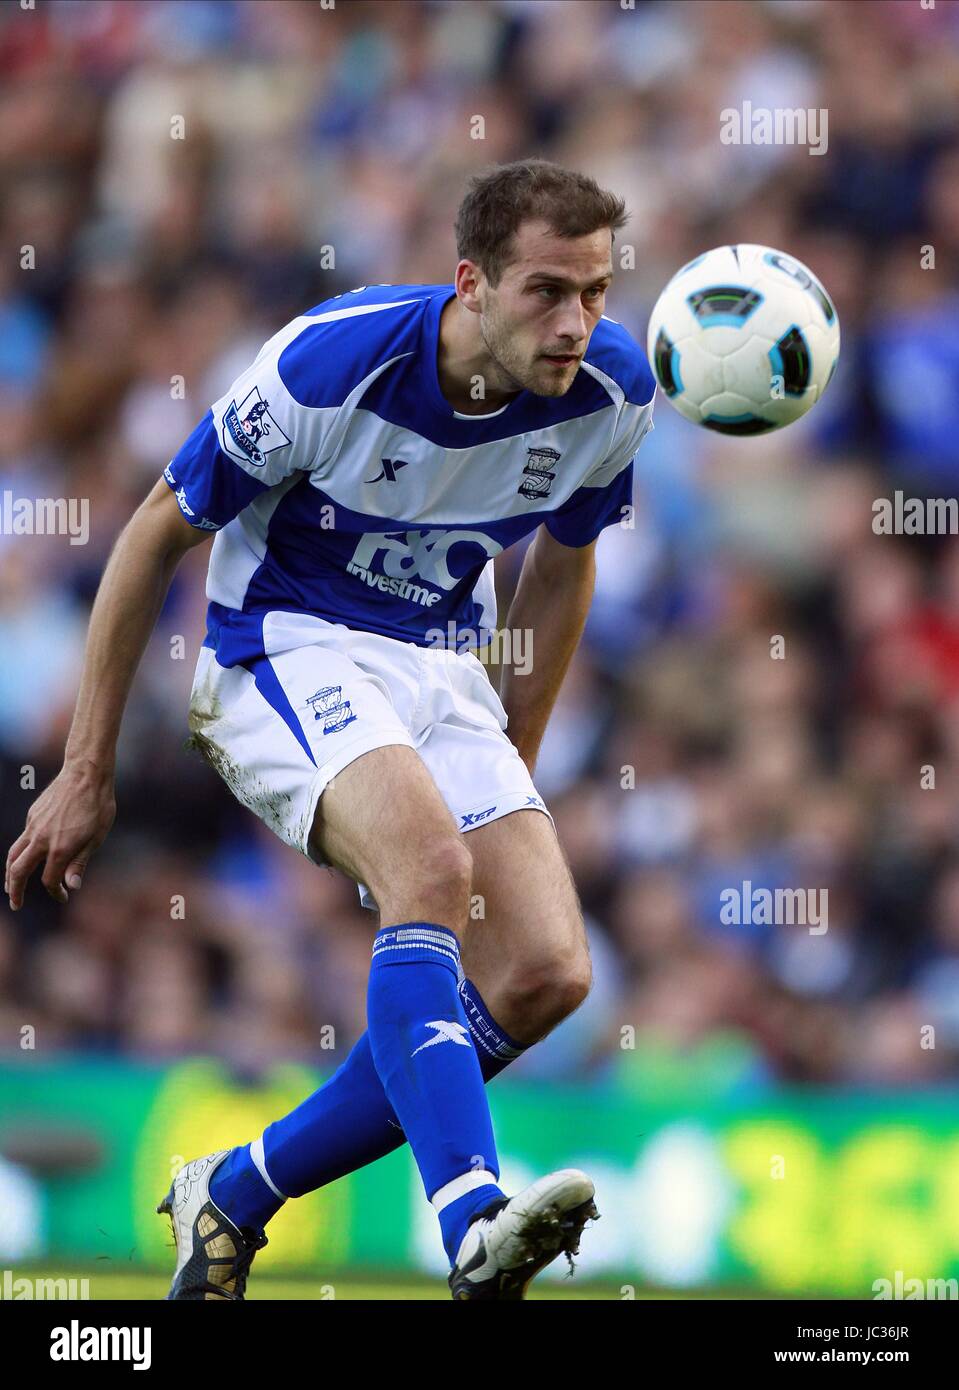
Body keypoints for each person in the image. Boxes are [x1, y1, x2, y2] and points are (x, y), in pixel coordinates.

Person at [5, 159, 655, 1300]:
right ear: (470, 283)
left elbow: (563, 568)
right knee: (432, 870)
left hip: (442, 667)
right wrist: (86, 768)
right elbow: (157, 529)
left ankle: (238, 1189)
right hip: (283, 644)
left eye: (595, 291)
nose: (576, 323)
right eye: (547, 292)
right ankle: (472, 1219)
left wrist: (520, 754)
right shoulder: (330, 363)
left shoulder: (610, 392)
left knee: (547, 970)